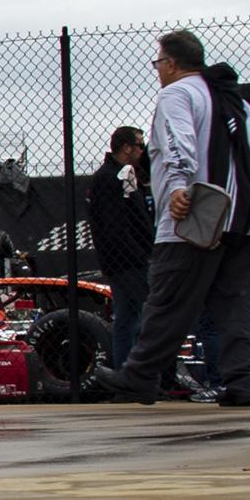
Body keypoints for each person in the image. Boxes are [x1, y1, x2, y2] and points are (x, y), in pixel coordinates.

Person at [86, 33, 250, 408]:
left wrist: (176, 188)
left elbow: (177, 144)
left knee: (168, 297)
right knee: (242, 300)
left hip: (196, 212)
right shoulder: (237, 101)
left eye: (158, 63)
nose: (158, 70)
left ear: (171, 64)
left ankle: (139, 376)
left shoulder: (177, 94)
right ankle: (243, 380)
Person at [86, 127, 155, 378]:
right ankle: (134, 372)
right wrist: (138, 254)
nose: (141, 149)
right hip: (126, 262)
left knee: (129, 317)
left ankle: (129, 371)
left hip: (126, 259)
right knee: (136, 317)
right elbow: (115, 226)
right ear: (126, 147)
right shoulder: (109, 178)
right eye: (139, 145)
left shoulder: (121, 175)